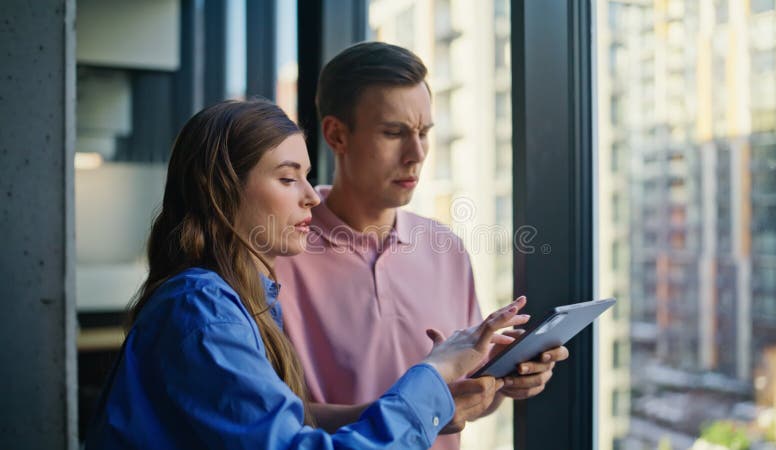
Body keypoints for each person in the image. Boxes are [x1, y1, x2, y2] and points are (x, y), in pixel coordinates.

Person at [84, 99, 532, 449]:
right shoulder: (203, 310)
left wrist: (435, 397)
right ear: (221, 191)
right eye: (286, 178)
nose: (311, 198)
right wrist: (432, 373)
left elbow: (286, 424)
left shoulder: (236, 301)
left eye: (307, 177)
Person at [274, 41, 569, 449]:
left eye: (424, 133)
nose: (416, 154)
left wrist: (505, 380)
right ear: (336, 135)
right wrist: (423, 407)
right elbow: (270, 417)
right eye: (394, 133)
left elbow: (466, 399)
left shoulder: (446, 249)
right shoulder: (277, 254)